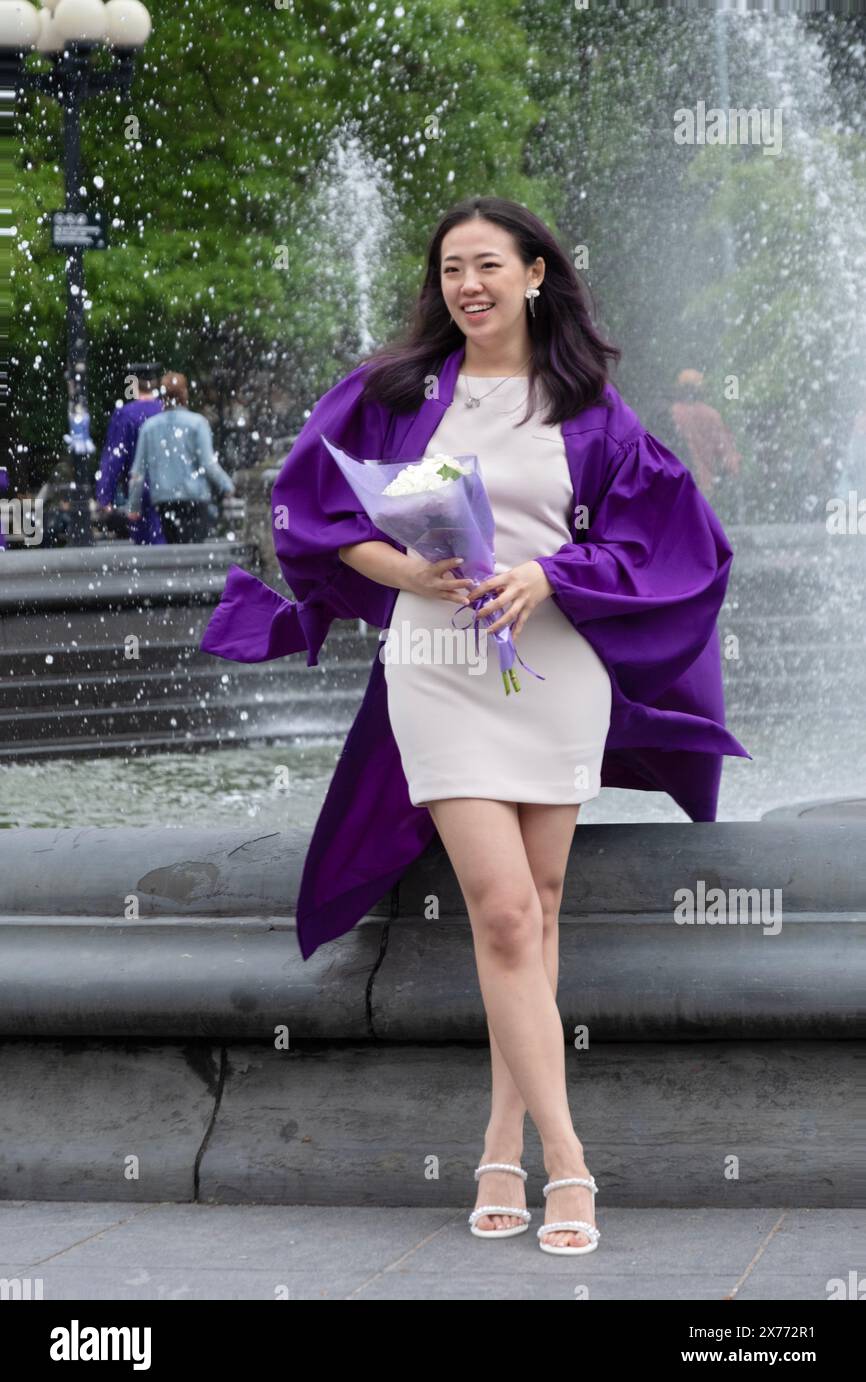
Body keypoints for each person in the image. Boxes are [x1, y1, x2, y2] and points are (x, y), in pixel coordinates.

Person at [199, 195, 751, 1255]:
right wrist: (407, 567)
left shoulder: (589, 410)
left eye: (489, 264)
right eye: (451, 267)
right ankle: (572, 1162)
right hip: (437, 664)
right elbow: (312, 514)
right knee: (501, 913)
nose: (468, 285)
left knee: (538, 907)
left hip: (552, 669)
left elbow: (676, 542)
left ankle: (500, 1138)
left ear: (535, 274)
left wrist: (550, 574)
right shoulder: (395, 392)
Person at [127, 372, 234, 542]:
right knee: (195, 552)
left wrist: (133, 506)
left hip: (164, 498)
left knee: (174, 549)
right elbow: (208, 464)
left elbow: (138, 472)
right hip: (195, 496)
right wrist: (227, 485)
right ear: (184, 393)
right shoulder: (198, 423)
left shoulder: (149, 427)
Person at [95, 362, 167, 545]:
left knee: (147, 552)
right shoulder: (166, 410)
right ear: (157, 384)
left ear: (133, 384)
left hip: (141, 493)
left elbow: (115, 457)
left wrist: (105, 496)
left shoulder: (126, 415)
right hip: (172, 492)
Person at [669, 368, 741, 506]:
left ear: (679, 389)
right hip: (703, 485)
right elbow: (726, 452)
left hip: (674, 484)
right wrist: (734, 468)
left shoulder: (672, 413)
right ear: (700, 390)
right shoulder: (711, 416)